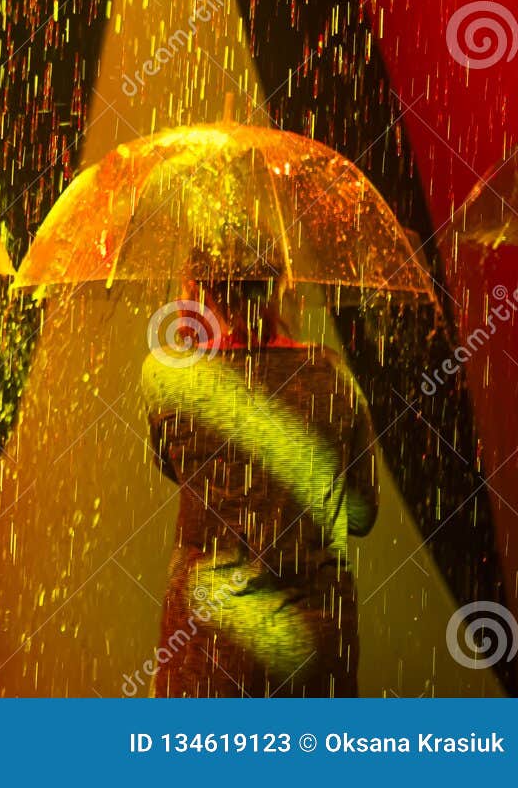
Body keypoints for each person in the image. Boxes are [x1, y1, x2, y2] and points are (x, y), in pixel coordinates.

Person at [142, 277, 378, 697]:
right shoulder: (332, 373)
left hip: (206, 647)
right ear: (279, 286)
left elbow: (177, 469)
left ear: (195, 290)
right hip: (315, 645)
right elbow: (362, 514)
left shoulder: (165, 373)